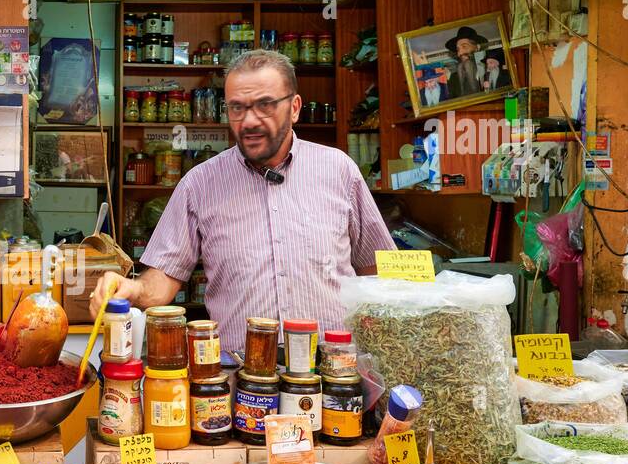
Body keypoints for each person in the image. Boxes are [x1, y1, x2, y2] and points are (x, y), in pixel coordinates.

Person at [90, 50, 395, 350]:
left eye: (265, 105)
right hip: (238, 372)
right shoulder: (200, 184)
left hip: (331, 369)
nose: (249, 121)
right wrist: (134, 288)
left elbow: (379, 270)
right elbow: (165, 276)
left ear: (294, 108)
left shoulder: (338, 170)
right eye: (237, 108)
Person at [445, 25, 488, 98]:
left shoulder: (489, 71)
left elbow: (505, 97)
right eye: (458, 49)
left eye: (464, 46)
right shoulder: (453, 78)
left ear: (477, 47)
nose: (460, 53)